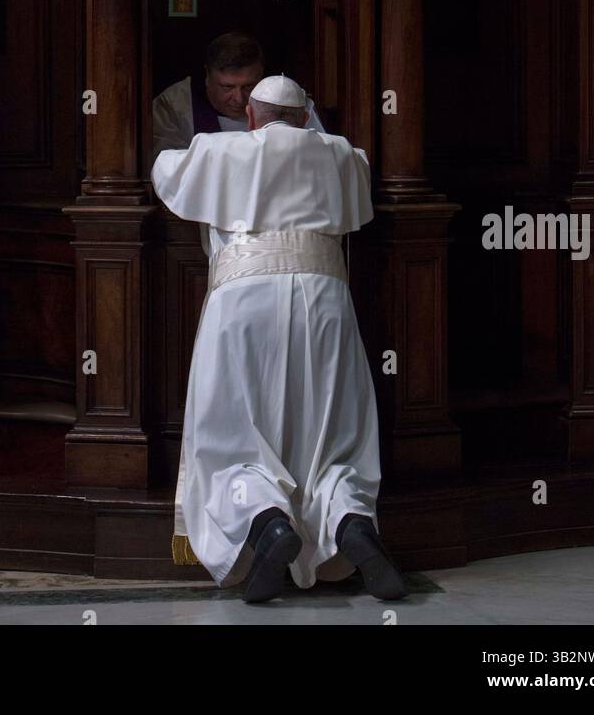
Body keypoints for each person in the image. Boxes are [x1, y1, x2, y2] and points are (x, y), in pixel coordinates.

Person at [150, 73, 409, 604]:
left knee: (234, 433)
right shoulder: (344, 156)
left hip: (243, 299)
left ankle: (267, 522)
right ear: (304, 115)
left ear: (250, 116)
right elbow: (359, 202)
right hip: (325, 299)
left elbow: (163, 170)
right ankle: (351, 523)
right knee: (334, 434)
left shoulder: (219, 151)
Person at [152, 30, 324, 157]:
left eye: (248, 86)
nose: (239, 99)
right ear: (207, 76)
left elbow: (317, 156)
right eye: (227, 87)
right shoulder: (174, 105)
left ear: (261, 74)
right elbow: (168, 169)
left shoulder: (287, 99)